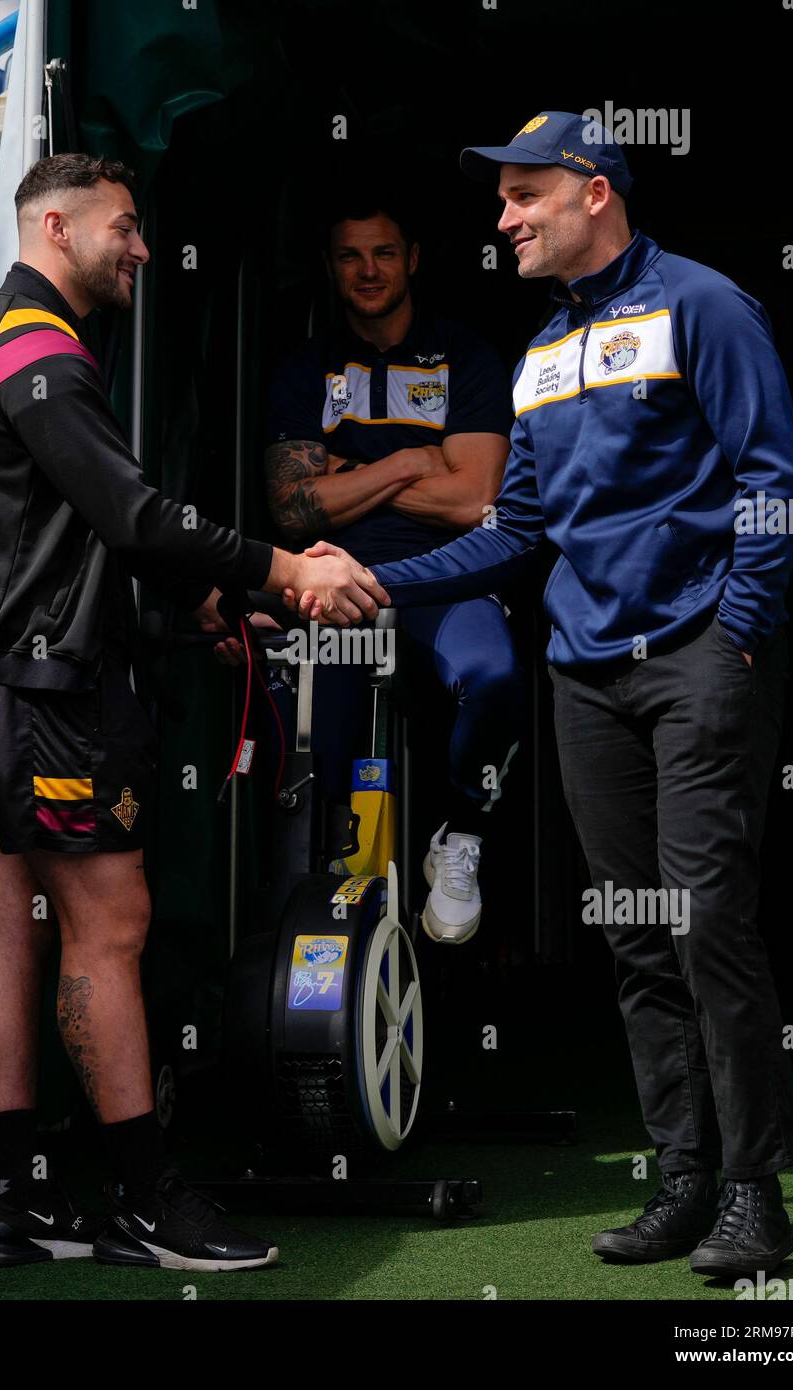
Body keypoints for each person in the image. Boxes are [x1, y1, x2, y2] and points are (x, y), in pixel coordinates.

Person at [292, 112, 793, 1279]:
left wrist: (736, 633)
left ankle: (752, 1193)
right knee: (636, 937)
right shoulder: (538, 353)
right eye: (503, 199)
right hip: (584, 675)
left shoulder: (704, 305)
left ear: (593, 192)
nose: (504, 218)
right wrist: (376, 576)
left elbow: (777, 481)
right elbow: (515, 532)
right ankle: (681, 1180)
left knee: (707, 923)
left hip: (698, 664)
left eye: (523, 196)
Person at [0, 152, 387, 1272]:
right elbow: (130, 516)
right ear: (52, 224)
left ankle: (5, 1204)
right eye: (123, 229)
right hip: (45, 694)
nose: (139, 249)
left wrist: (210, 602)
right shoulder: (37, 348)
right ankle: (145, 1199)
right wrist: (284, 570)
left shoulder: (3, 336)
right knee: (109, 924)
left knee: (8, 919)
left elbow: (75, 528)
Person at [261, 191, 522, 943]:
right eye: (349, 255)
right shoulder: (307, 365)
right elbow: (292, 509)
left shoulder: (464, 354)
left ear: (410, 259)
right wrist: (414, 460)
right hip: (334, 575)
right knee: (323, 751)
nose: (366, 270)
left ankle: (463, 835)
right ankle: (328, 915)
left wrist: (353, 476)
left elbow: (477, 500)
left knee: (495, 678)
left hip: (450, 573)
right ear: (330, 267)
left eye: (382, 253)